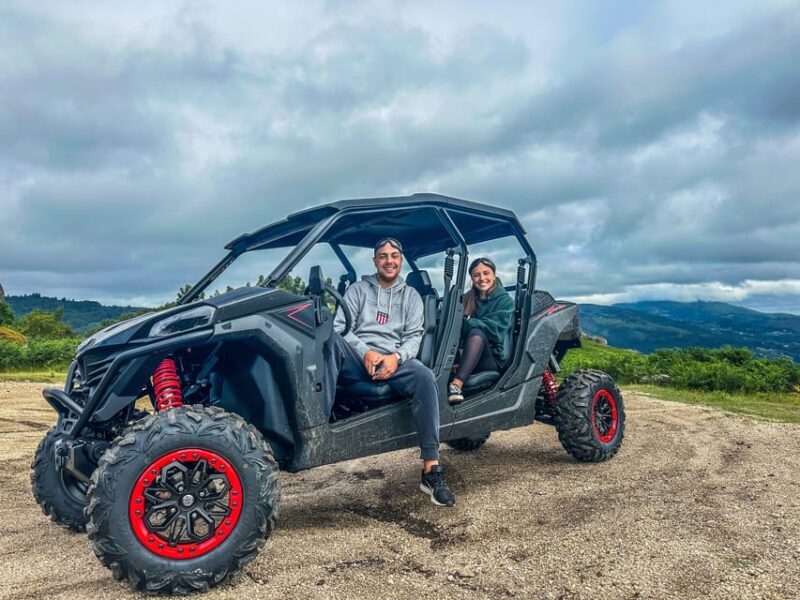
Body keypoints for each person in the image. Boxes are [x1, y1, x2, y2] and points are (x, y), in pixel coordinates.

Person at [324, 237, 455, 507]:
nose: (389, 260)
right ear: (375, 261)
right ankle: (319, 424)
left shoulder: (411, 297)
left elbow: (414, 337)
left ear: (401, 260)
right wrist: (366, 353)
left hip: (395, 361)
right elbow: (341, 328)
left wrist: (395, 358)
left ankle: (431, 470)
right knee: (328, 340)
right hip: (357, 358)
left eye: (394, 255)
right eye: (383, 256)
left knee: (424, 376)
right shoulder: (358, 290)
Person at [448, 257, 515, 404]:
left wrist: (466, 323)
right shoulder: (467, 299)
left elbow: (494, 330)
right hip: (466, 355)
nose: (482, 278)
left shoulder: (505, 301)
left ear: (494, 275)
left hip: (492, 358)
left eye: (486, 273)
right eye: (476, 275)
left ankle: (456, 384)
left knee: (476, 334)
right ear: (472, 278)